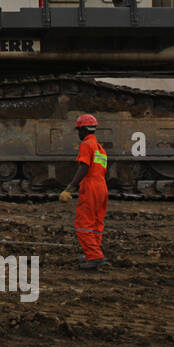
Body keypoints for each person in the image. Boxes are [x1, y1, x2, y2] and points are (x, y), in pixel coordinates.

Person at [59, 113, 108, 270]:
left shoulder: (86, 145)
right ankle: (92, 252)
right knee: (96, 222)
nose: (78, 134)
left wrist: (70, 188)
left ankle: (95, 257)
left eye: (79, 130)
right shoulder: (100, 148)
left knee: (83, 223)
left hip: (91, 187)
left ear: (84, 130)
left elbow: (84, 167)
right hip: (102, 187)